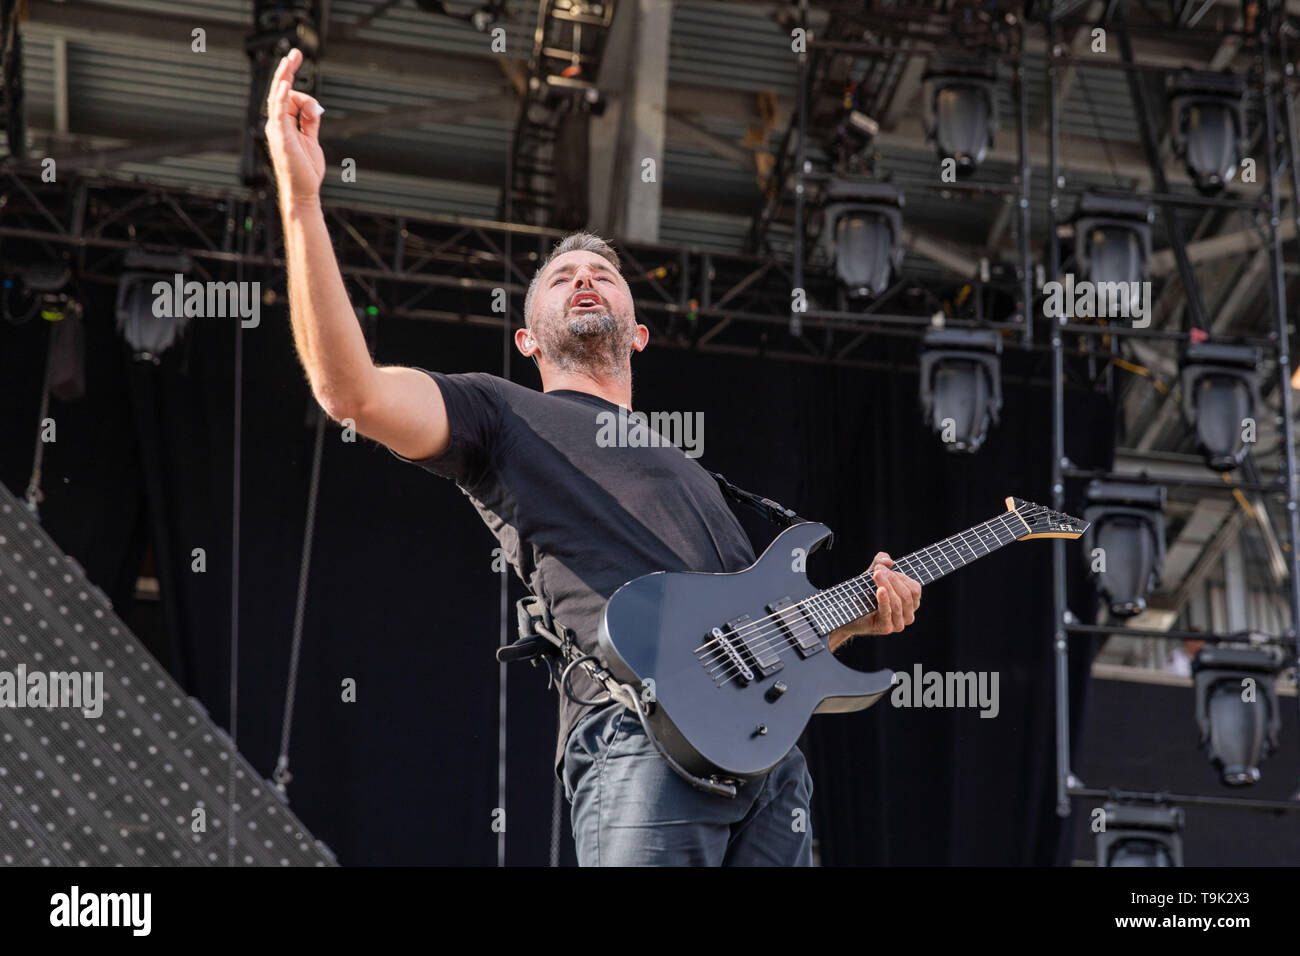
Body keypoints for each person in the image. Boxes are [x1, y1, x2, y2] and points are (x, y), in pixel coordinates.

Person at [263, 48, 923, 865]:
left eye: (604, 274)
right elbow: (349, 392)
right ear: (526, 334)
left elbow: (758, 647)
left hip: (772, 765)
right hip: (638, 738)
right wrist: (301, 199)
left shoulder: (705, 484)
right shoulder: (501, 412)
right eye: (562, 275)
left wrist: (860, 613)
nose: (584, 280)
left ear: (638, 331)